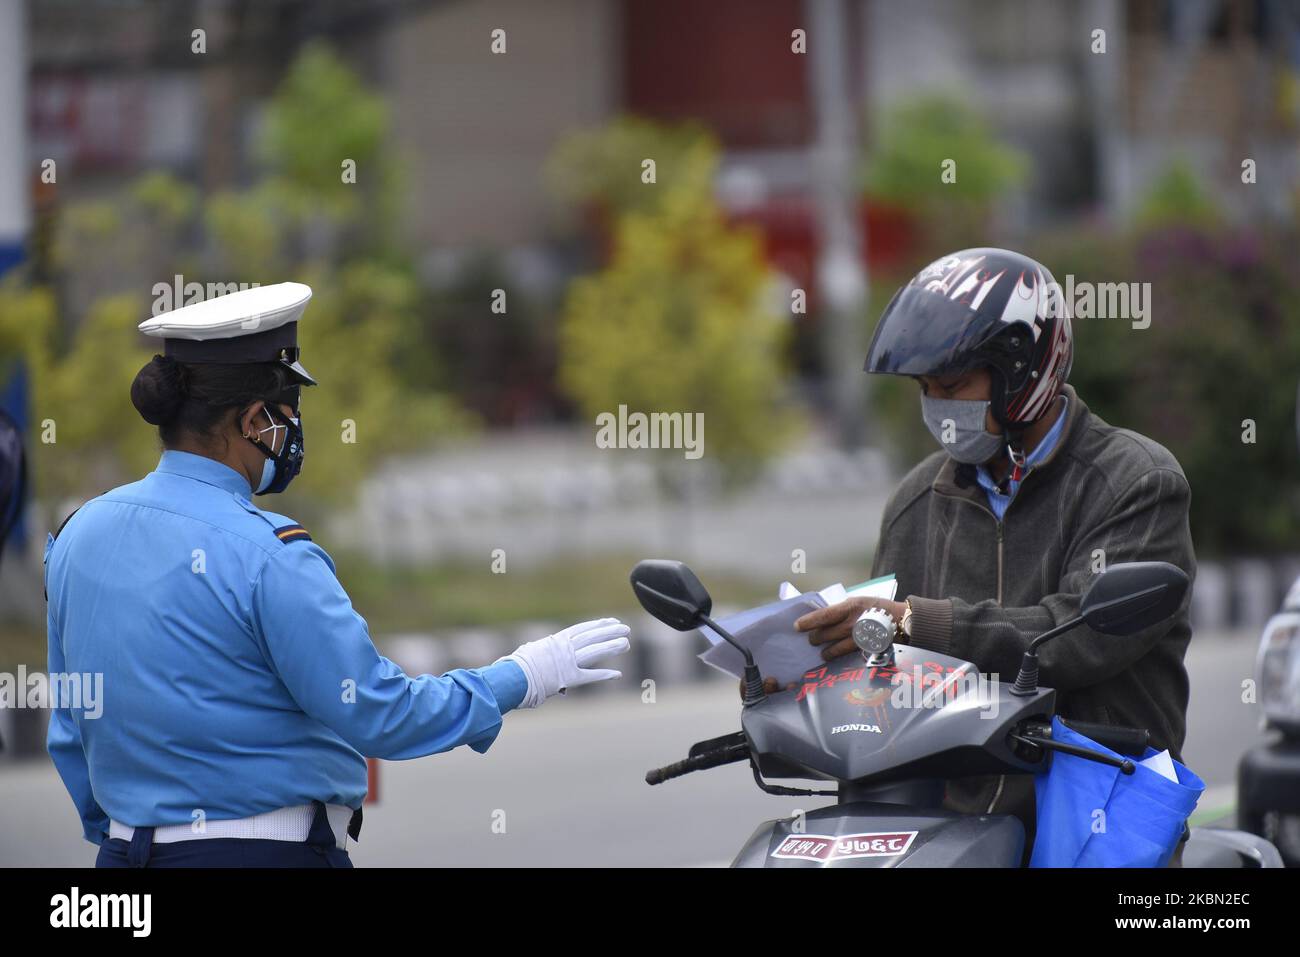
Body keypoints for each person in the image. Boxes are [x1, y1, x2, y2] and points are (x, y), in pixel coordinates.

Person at [44, 282, 630, 867]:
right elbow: (378, 712)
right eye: (290, 411)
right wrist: (520, 678)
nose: (296, 430)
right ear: (253, 419)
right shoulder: (270, 554)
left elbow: (71, 727)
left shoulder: (78, 536)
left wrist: (128, 836)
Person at [792, 248, 1195, 865]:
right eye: (926, 389)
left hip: (1096, 815)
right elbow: (880, 668)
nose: (937, 406)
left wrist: (915, 620)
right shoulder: (917, 501)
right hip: (951, 827)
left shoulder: (1134, 483)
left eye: (953, 385)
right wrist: (802, 673)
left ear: (1023, 374)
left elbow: (1075, 637)